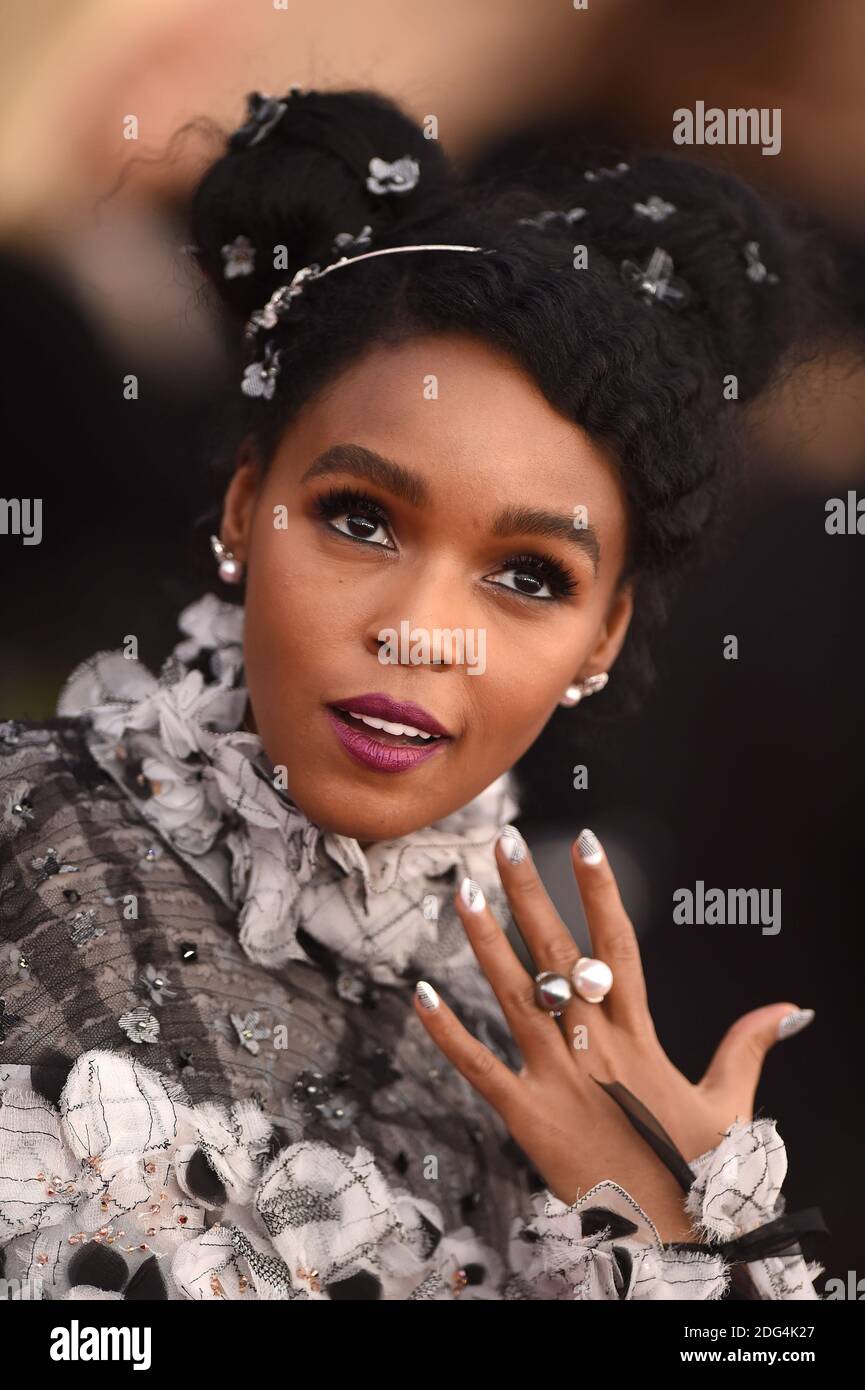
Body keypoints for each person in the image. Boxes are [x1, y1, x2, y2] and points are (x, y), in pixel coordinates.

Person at [0, 87, 833, 1301]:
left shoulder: (556, 1076)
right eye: (359, 519)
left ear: (603, 632)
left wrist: (691, 1246)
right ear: (245, 506)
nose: (421, 631)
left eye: (527, 574)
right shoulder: (22, 837)